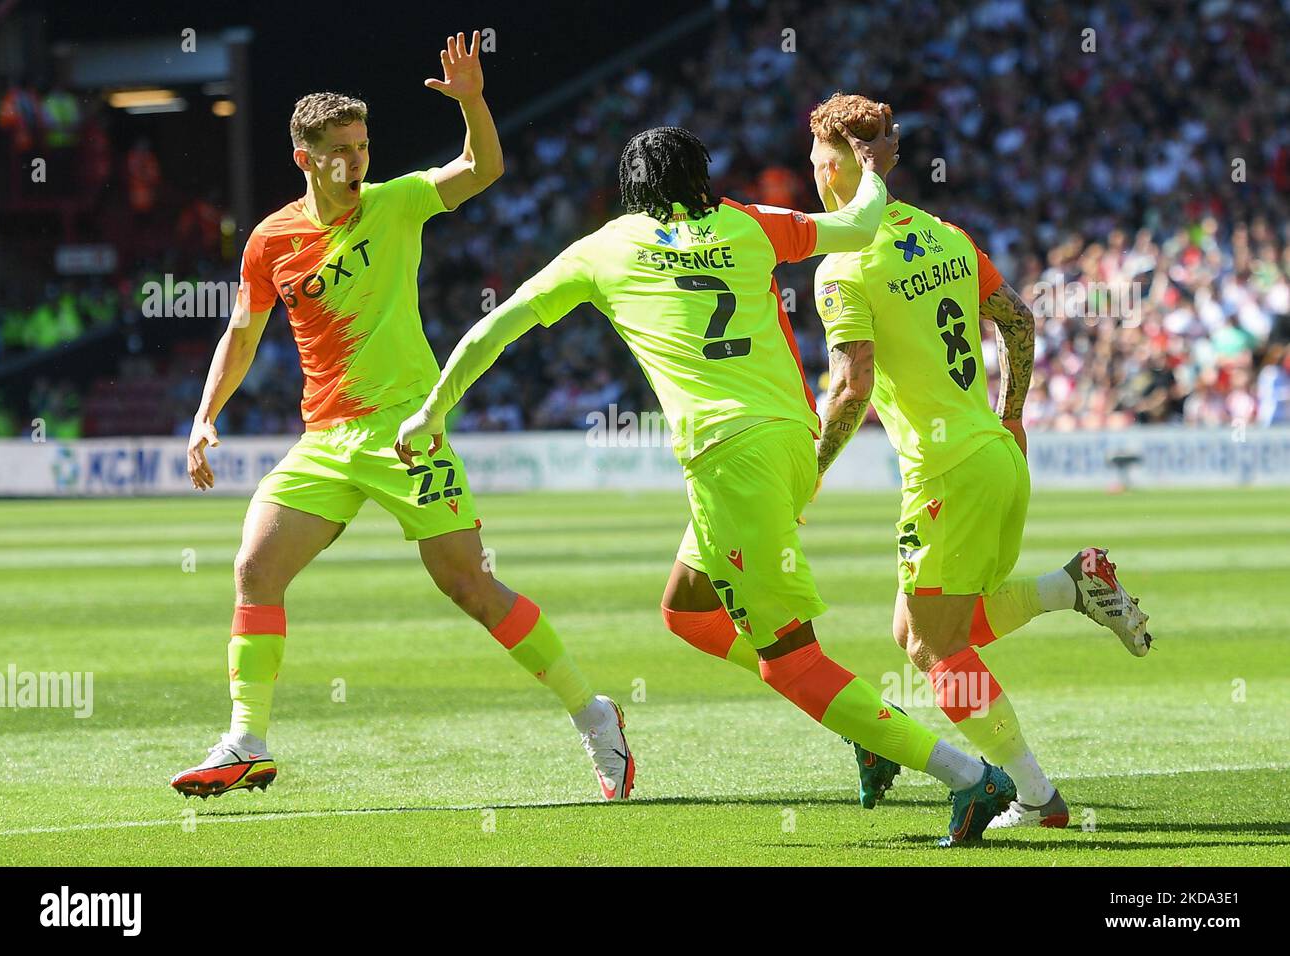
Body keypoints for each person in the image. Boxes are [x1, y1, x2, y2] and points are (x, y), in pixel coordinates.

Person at [399, 120, 1021, 846]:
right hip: (793, 444)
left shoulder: (604, 248)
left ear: (632, 190)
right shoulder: (748, 223)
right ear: (702, 177)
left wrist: (433, 408)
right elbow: (858, 225)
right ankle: (863, 719)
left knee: (793, 663)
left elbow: (495, 329)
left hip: (730, 461)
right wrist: (870, 165)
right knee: (687, 609)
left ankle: (966, 776)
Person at [173, 32, 634, 803]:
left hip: (404, 432)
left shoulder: (396, 203)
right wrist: (203, 415)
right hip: (324, 441)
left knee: (471, 588)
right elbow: (242, 333)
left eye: (362, 146)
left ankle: (594, 716)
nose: (356, 163)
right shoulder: (270, 243)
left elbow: (482, 168)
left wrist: (474, 103)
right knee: (254, 569)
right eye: (339, 151)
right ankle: (246, 742)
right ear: (303, 158)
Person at [805, 93, 1153, 828]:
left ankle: (1034, 795)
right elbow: (1019, 322)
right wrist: (1015, 413)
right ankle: (1073, 587)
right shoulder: (947, 237)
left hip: (943, 472)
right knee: (919, 632)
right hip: (996, 455)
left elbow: (851, 386)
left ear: (835, 164)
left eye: (813, 159)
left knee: (935, 650)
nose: (810, 172)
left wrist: (809, 471)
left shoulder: (840, 266)